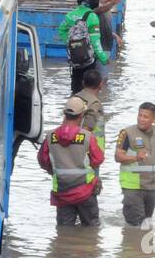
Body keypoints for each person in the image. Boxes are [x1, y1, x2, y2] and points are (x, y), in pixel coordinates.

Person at [38, 96, 105, 226]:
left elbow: (43, 161)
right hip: (86, 191)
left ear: (65, 114)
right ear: (81, 116)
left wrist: (54, 170)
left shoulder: (50, 136)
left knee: (64, 231)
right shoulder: (87, 137)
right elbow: (98, 159)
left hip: (62, 193)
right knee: (91, 231)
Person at [114, 103, 155, 227]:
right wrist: (135, 157)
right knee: (136, 225)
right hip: (132, 186)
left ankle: (144, 245)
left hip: (151, 185)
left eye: (145, 117)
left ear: (154, 119)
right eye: (139, 115)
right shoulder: (127, 133)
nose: (141, 119)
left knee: (147, 221)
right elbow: (117, 157)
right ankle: (130, 243)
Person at [59, 0, 110, 93]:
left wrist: (71, 44)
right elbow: (95, 42)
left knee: (76, 87)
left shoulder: (70, 15)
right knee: (89, 89)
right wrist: (104, 59)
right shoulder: (92, 17)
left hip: (74, 60)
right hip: (88, 61)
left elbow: (61, 31)